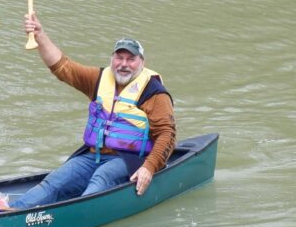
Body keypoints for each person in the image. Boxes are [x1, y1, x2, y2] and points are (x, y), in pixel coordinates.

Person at [10, 13, 176, 209]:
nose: (124, 64)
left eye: (131, 59)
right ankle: (14, 211)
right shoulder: (98, 79)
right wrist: (39, 35)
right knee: (56, 180)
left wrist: (148, 168)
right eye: (119, 58)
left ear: (142, 62)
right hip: (93, 155)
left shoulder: (154, 92)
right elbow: (63, 67)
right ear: (112, 59)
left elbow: (167, 135)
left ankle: (78, 214)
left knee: (102, 178)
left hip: (131, 159)